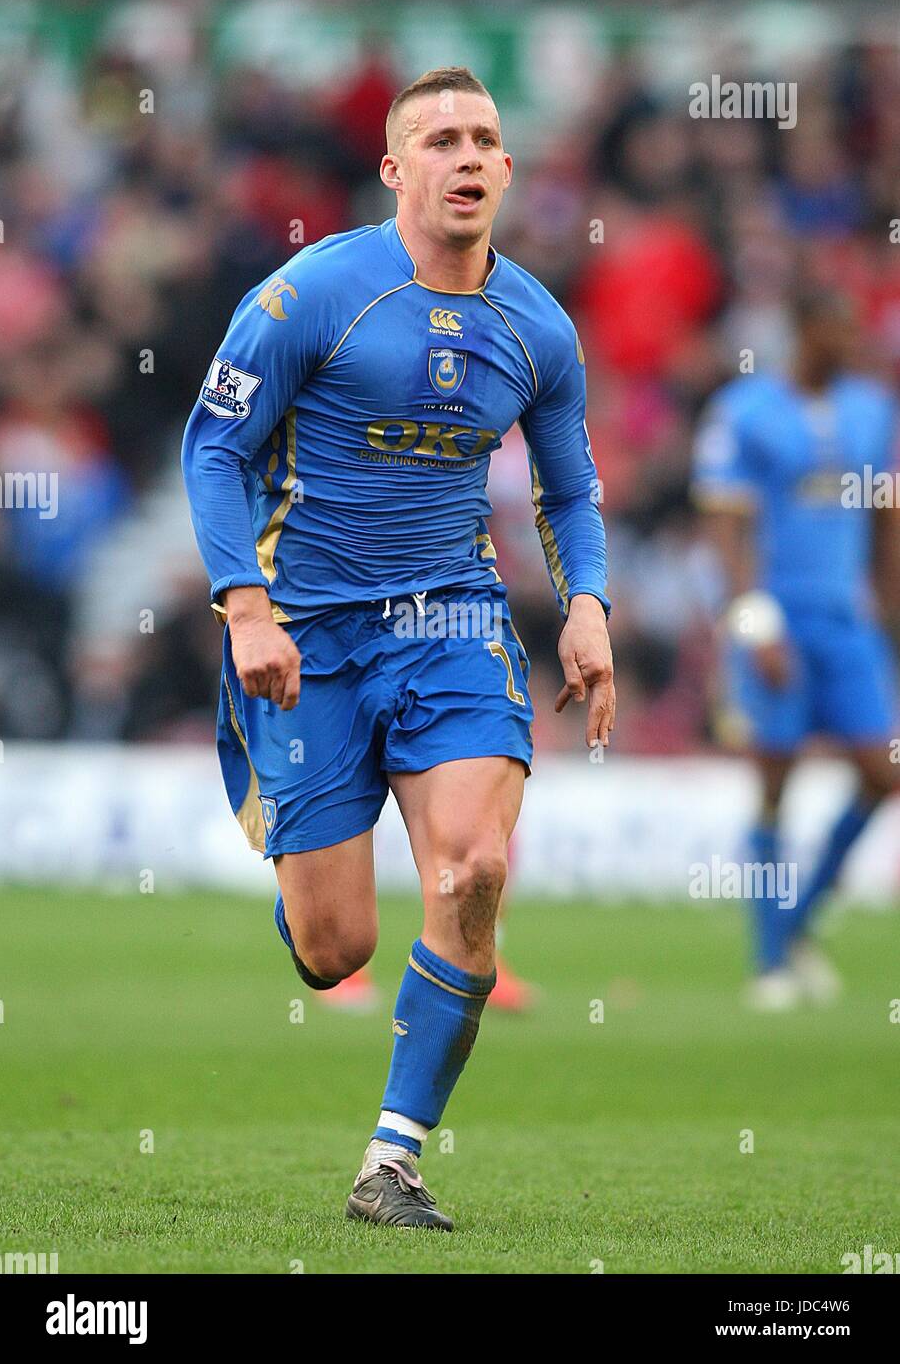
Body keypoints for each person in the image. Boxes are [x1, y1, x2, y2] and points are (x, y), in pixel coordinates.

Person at [182, 66, 613, 1229]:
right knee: (333, 950)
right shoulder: (311, 294)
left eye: (484, 138)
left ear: (507, 168)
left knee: (472, 869)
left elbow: (569, 492)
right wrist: (246, 608)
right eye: (439, 140)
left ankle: (393, 1159)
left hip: (455, 625)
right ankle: (305, 871)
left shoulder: (538, 324)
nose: (465, 156)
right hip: (305, 636)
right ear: (395, 169)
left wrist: (588, 608)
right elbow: (211, 452)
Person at [693, 290, 899, 1011]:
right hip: (776, 619)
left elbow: (886, 517)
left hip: (848, 622)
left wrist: (890, 613)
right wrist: (753, 621)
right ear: (806, 329)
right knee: (774, 782)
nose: (851, 341)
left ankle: (800, 919)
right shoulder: (745, 411)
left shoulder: (874, 410)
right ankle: (769, 957)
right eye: (839, 327)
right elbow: (724, 524)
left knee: (883, 772)